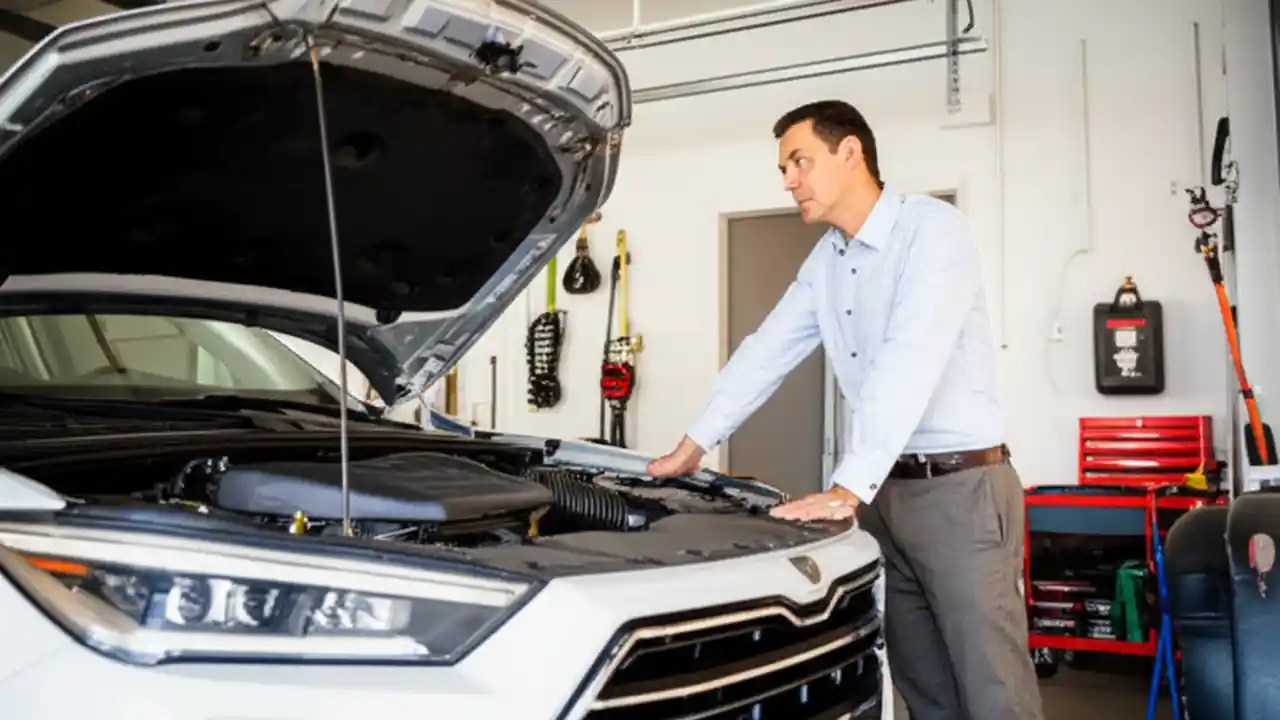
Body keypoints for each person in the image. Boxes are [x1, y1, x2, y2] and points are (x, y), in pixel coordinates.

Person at [646, 100, 1046, 720]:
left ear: (851, 152)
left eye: (798, 162)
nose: (788, 181)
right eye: (784, 168)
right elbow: (767, 350)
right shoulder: (827, 261)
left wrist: (845, 487)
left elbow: (910, 358)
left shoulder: (932, 230)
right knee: (923, 682)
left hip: (961, 490)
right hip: (887, 494)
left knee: (992, 685)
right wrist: (694, 444)